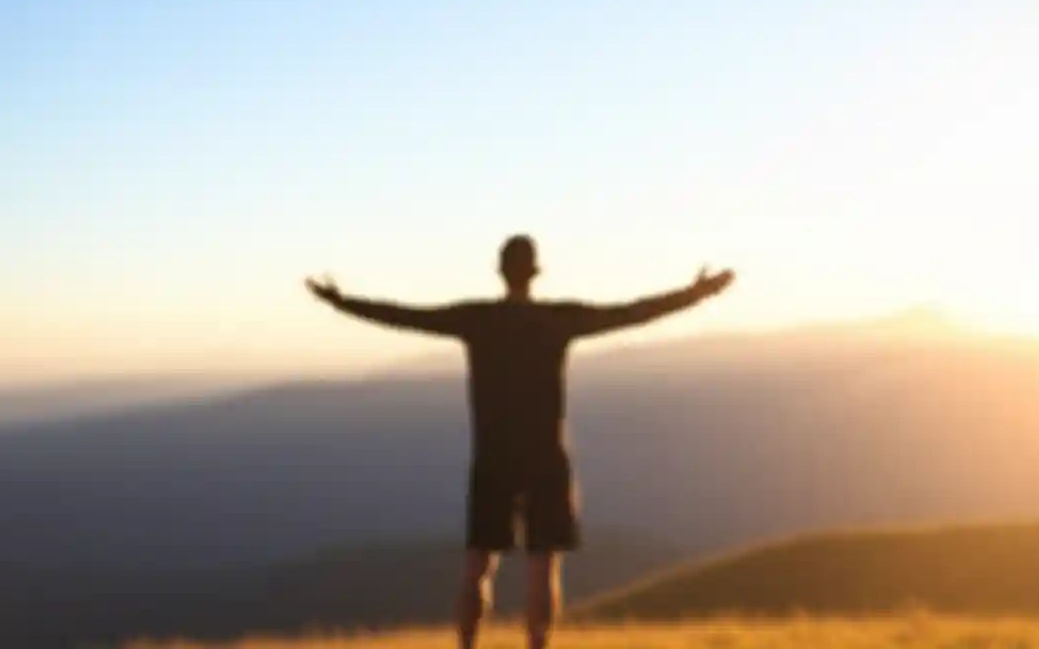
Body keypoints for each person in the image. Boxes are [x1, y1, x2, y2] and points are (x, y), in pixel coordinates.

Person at [305, 234, 735, 649]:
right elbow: (633, 312)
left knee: (477, 566)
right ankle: (537, 645)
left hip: (492, 460)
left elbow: (405, 316)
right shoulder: (557, 320)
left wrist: (340, 302)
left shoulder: (477, 320)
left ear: (501, 272)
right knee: (543, 567)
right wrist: (698, 293)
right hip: (547, 459)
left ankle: (467, 646)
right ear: (535, 272)